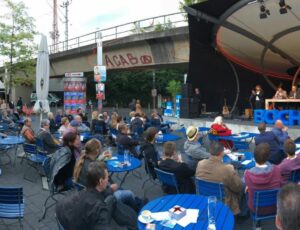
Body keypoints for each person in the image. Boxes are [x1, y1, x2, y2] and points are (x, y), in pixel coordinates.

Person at [56, 161, 138, 229]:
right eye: (107, 177)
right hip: (74, 225)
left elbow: (102, 193)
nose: (108, 179)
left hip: (63, 216)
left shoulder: (83, 192)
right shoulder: (97, 207)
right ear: (101, 181)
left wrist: (110, 190)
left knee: (112, 200)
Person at [73, 139, 143, 212]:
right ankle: (138, 210)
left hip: (88, 196)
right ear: (97, 151)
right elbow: (100, 190)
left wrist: (100, 159)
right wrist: (111, 188)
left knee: (121, 189)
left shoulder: (81, 161)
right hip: (101, 198)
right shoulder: (94, 170)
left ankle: (136, 204)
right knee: (129, 193)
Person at [196, 141, 242, 214]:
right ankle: (243, 214)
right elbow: (238, 187)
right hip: (223, 200)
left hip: (205, 196)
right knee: (243, 184)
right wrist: (233, 171)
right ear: (222, 153)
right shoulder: (227, 169)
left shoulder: (200, 163)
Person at [244, 143, 282, 215]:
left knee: (245, 189)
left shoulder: (247, 174)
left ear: (254, 157)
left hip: (255, 208)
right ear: (267, 157)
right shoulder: (277, 169)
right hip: (274, 205)